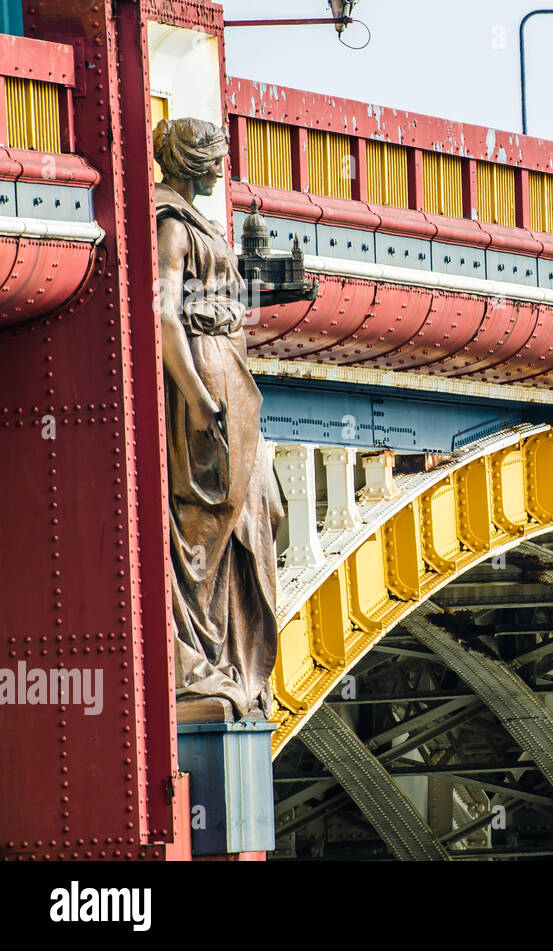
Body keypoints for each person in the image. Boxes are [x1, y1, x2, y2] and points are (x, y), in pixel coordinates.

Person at [154, 117, 283, 720]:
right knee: (207, 516)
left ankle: (229, 656)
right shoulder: (173, 226)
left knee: (263, 507)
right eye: (211, 160)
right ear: (186, 161)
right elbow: (164, 318)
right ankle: (198, 659)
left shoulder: (200, 222)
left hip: (231, 369)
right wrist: (199, 397)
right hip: (205, 376)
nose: (218, 170)